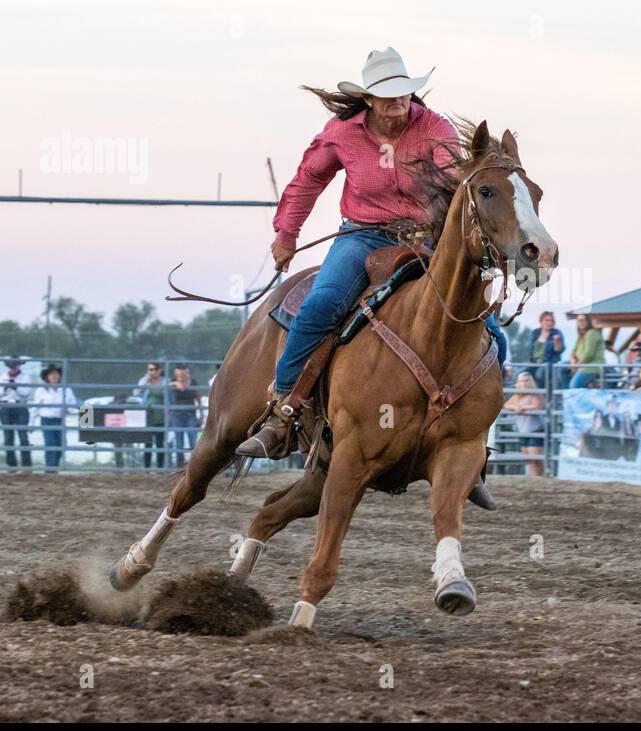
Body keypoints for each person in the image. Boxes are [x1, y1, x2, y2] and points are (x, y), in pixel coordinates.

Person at [237, 47, 507, 494]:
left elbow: (452, 181)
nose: (398, 103)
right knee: (321, 304)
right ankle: (282, 412)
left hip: (424, 240)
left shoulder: (434, 128)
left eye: (404, 94)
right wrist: (286, 233)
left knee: (490, 330)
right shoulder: (342, 133)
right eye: (388, 96)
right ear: (369, 100)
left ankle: (471, 446)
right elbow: (308, 181)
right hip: (362, 236)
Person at [31, 363, 76, 471]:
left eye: (56, 374)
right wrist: (31, 423)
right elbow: (35, 408)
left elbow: (73, 406)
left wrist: (68, 410)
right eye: (51, 374)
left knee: (61, 444)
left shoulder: (66, 390)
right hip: (47, 420)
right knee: (51, 443)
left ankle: (53, 466)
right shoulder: (41, 390)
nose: (54, 376)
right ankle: (50, 468)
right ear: (47, 377)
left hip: (60, 420)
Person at [503, 371, 545, 476]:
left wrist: (522, 407)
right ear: (518, 383)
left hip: (535, 430)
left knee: (535, 458)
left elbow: (537, 405)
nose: (524, 383)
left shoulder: (536, 393)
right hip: (523, 431)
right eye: (522, 381)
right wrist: (515, 407)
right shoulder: (517, 395)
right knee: (529, 459)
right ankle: (535, 477)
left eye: (527, 381)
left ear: (531, 382)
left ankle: (539, 478)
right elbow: (506, 405)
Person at [0, 357, 33, 469]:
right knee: (8, 437)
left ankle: (26, 464)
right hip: (6, 405)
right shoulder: (2, 377)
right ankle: (11, 465)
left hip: (20, 405)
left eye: (15, 365)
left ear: (19, 365)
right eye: (11, 366)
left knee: (23, 436)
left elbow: (26, 393)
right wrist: (5, 388)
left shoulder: (25, 377)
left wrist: (16, 387)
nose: (13, 368)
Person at [133, 361, 167, 469]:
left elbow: (169, 397)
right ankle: (147, 468)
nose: (151, 372)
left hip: (161, 416)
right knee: (147, 444)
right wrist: (145, 380)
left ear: (159, 370)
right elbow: (136, 392)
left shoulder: (164, 382)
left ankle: (160, 468)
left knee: (160, 444)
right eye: (149, 370)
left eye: (153, 369)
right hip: (148, 417)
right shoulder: (145, 382)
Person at [167, 363, 202, 467]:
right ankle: (180, 465)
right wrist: (175, 384)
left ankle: (194, 464)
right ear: (176, 372)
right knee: (179, 441)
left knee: (193, 440)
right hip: (176, 415)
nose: (181, 372)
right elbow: (166, 386)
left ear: (187, 371)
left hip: (190, 414)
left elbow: (198, 398)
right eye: (179, 370)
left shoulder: (193, 382)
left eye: (183, 370)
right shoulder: (171, 382)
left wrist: (201, 414)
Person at [525, 311, 565, 387]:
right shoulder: (535, 332)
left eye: (551, 321)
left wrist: (557, 341)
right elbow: (531, 349)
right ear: (541, 321)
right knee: (521, 373)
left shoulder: (557, 333)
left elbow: (559, 350)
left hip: (549, 363)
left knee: (539, 375)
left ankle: (542, 395)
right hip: (534, 362)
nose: (550, 323)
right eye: (547, 320)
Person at [569, 314, 606, 389]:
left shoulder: (591, 333)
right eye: (579, 320)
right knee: (562, 368)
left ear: (588, 321)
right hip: (580, 364)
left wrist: (576, 366)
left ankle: (573, 395)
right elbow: (573, 350)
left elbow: (588, 355)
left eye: (583, 320)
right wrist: (572, 360)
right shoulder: (581, 335)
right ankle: (566, 392)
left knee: (574, 386)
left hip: (591, 366)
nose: (581, 322)